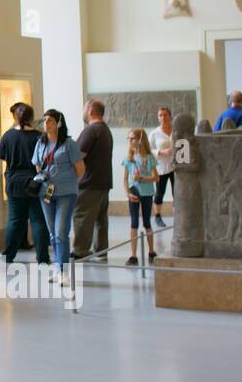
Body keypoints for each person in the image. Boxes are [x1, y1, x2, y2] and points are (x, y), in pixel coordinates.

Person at [32, 108, 83, 270]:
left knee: (61, 231)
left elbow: (80, 169)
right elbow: (37, 166)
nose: (46, 123)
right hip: (45, 192)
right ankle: (58, 266)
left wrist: (70, 183)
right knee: (52, 233)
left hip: (66, 193)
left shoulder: (69, 144)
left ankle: (63, 269)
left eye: (51, 120)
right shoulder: (40, 143)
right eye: (45, 120)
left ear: (59, 123)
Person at [0, 103, 49, 264]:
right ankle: (43, 258)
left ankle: (8, 256)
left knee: (14, 221)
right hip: (34, 183)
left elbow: (3, 157)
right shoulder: (39, 137)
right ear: (32, 118)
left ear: (15, 117)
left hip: (14, 183)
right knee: (38, 221)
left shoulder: (7, 136)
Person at [72, 99, 114, 260]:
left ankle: (80, 251)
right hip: (103, 181)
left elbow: (78, 155)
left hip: (89, 182)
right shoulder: (105, 130)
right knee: (100, 219)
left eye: (84, 109)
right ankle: (101, 251)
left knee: (82, 215)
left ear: (90, 110)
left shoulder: (91, 130)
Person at [122, 128, 159, 265]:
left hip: (147, 193)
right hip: (134, 194)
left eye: (132, 138)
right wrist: (128, 193)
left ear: (140, 140)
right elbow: (125, 180)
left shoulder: (148, 158)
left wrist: (142, 178)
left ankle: (151, 251)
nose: (130, 141)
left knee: (147, 222)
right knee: (134, 223)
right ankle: (133, 255)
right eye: (129, 138)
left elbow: (156, 177)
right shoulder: (128, 158)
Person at [148, 106, 175, 228]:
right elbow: (148, 150)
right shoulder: (154, 133)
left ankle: (178, 216)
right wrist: (160, 152)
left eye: (165, 115)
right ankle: (158, 216)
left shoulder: (176, 130)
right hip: (161, 168)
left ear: (169, 116)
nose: (163, 117)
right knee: (160, 193)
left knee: (177, 192)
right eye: (160, 115)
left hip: (176, 167)